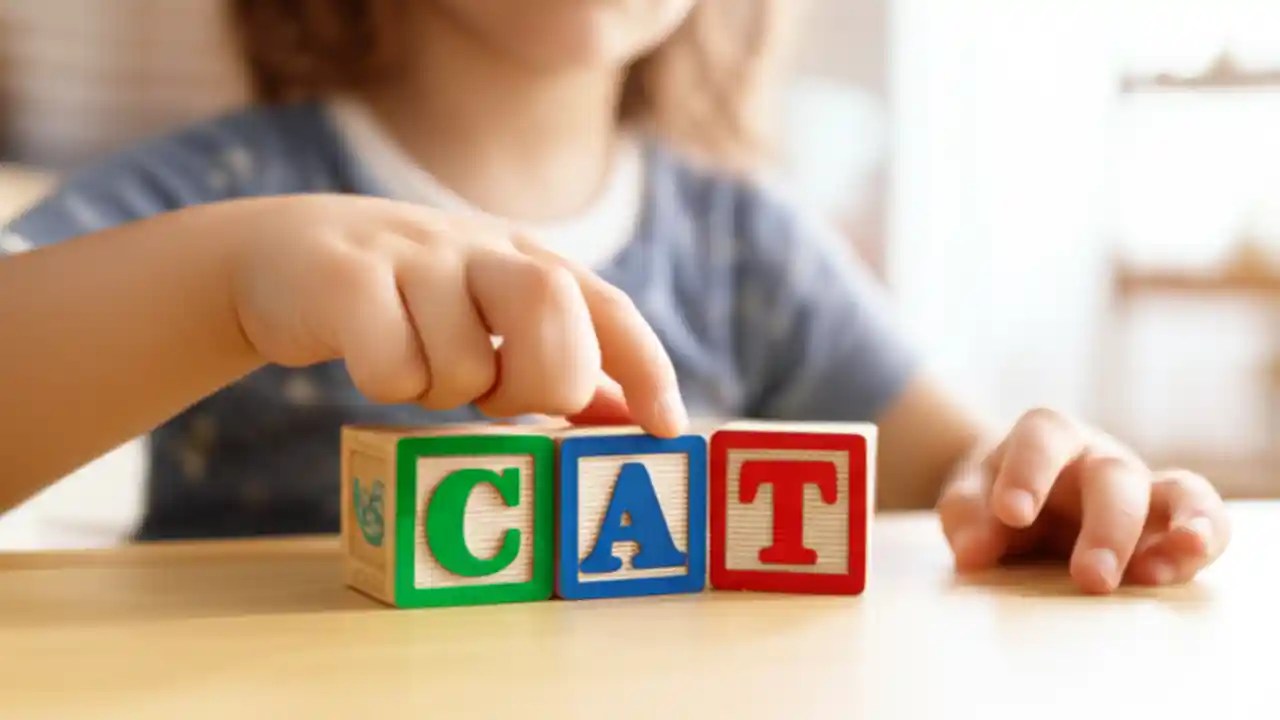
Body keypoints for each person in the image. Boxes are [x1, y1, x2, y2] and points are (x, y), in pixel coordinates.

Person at [0, 0, 1228, 593]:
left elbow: (958, 477)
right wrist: (224, 284)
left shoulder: (745, 242)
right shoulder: (224, 193)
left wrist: (1034, 492)